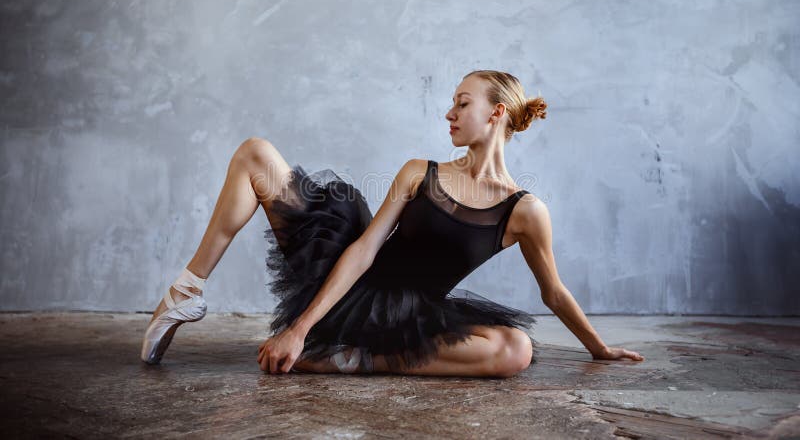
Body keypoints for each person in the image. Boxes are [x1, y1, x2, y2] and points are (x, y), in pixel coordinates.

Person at [140, 70, 645, 377]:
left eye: (462, 103)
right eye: (451, 103)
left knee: (516, 349)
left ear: (496, 114)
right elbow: (362, 251)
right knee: (255, 154)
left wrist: (598, 349)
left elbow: (552, 292)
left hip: (411, 316)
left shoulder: (525, 211)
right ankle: (186, 292)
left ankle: (342, 358)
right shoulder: (417, 173)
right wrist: (298, 327)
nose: (449, 113)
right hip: (346, 283)